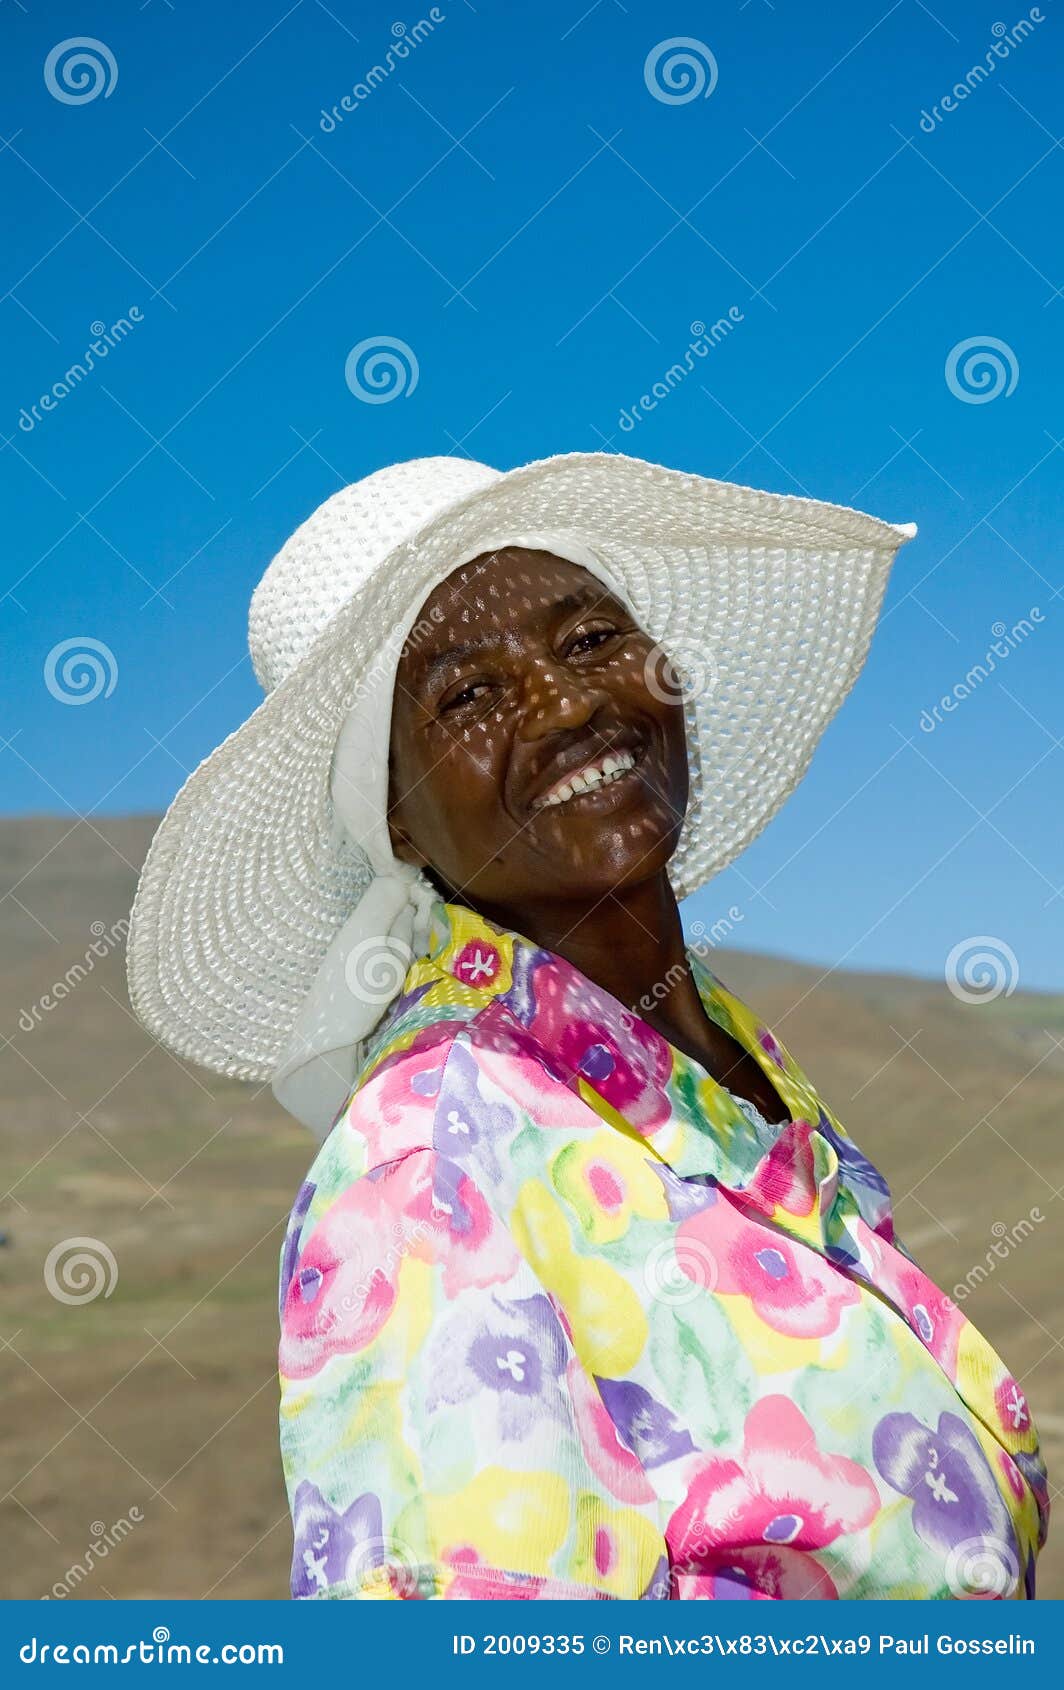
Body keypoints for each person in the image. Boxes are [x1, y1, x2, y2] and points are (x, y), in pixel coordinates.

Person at [128, 452, 1048, 1601]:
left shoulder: (722, 1066)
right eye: (467, 696)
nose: (566, 705)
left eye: (589, 639)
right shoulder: (433, 1158)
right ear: (395, 819)